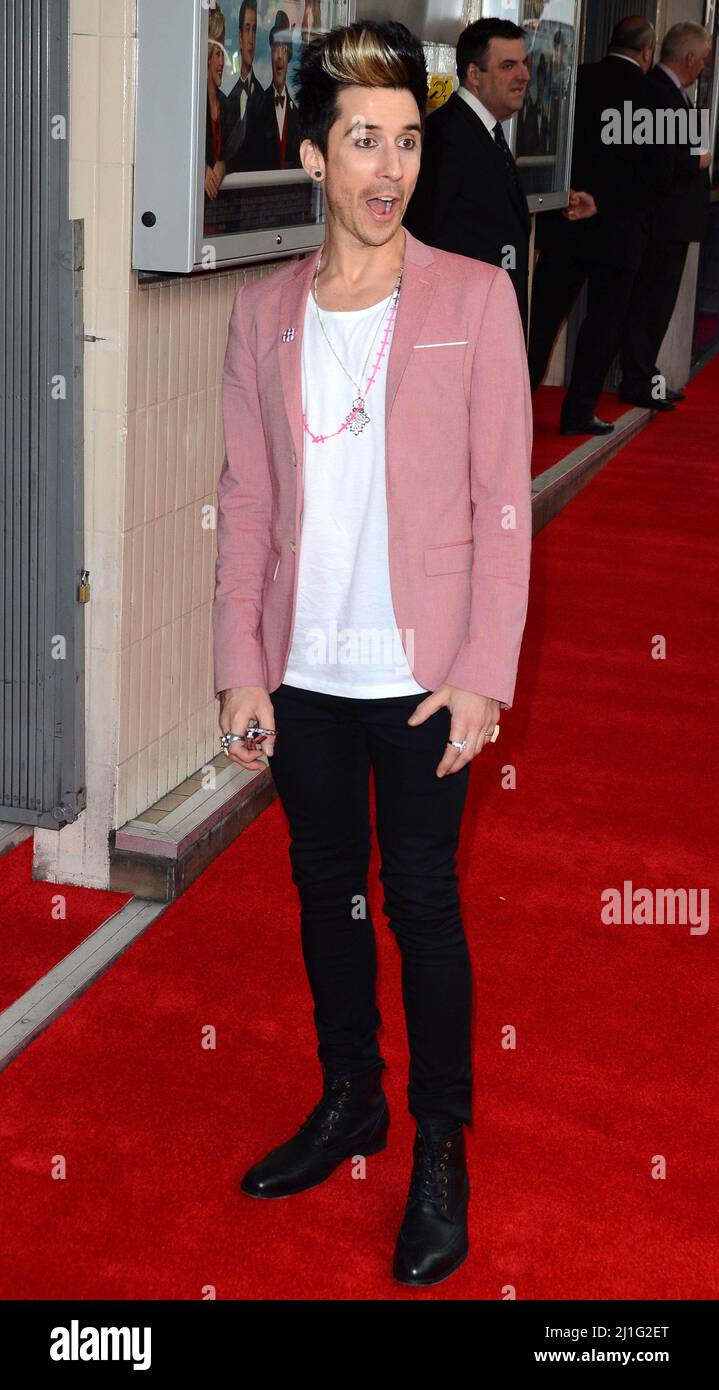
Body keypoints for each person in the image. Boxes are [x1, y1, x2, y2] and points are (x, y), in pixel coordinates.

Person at [212, 19, 532, 1289]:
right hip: (303, 674)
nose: (389, 167)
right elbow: (244, 503)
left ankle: (439, 1146)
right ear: (311, 156)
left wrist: (484, 675)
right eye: (362, 141)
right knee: (324, 891)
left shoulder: (472, 296)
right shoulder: (260, 317)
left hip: (421, 680)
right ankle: (352, 1095)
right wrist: (241, 662)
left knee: (424, 905)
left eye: (404, 140)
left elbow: (503, 500)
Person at [528, 15, 673, 434]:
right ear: (647, 52)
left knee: (542, 322)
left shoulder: (575, 81)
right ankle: (579, 412)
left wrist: (569, 193)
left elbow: (543, 137)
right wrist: (604, 203)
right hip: (620, 231)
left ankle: (514, 406)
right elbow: (660, 176)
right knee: (602, 327)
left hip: (565, 221)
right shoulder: (655, 98)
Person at [403, 18, 532, 336]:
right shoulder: (447, 136)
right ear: (474, 74)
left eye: (524, 64)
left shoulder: (485, 132)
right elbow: (424, 235)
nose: (524, 75)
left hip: (487, 316)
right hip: (459, 324)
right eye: (508, 65)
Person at [618, 21, 713, 408]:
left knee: (658, 305)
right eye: (703, 60)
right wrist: (698, 160)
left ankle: (645, 376)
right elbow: (661, 160)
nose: (704, 67)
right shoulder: (656, 91)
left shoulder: (672, 91)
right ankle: (638, 380)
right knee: (650, 303)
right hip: (660, 222)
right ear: (690, 58)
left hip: (671, 222)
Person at [242, 9, 301, 170]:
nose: (280, 55)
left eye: (284, 48)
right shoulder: (256, 104)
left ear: (289, 55)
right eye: (276, 47)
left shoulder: (296, 114)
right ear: (270, 52)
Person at [223, 0, 265, 173]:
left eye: (254, 30)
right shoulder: (225, 95)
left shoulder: (264, 97)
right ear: (240, 38)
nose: (251, 40)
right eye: (247, 29)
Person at [205, 3, 229, 202]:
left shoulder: (226, 104)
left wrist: (224, 165)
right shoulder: (193, 105)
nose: (222, 62)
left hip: (222, 218)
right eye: (218, 53)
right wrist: (200, 167)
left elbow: (242, 152)